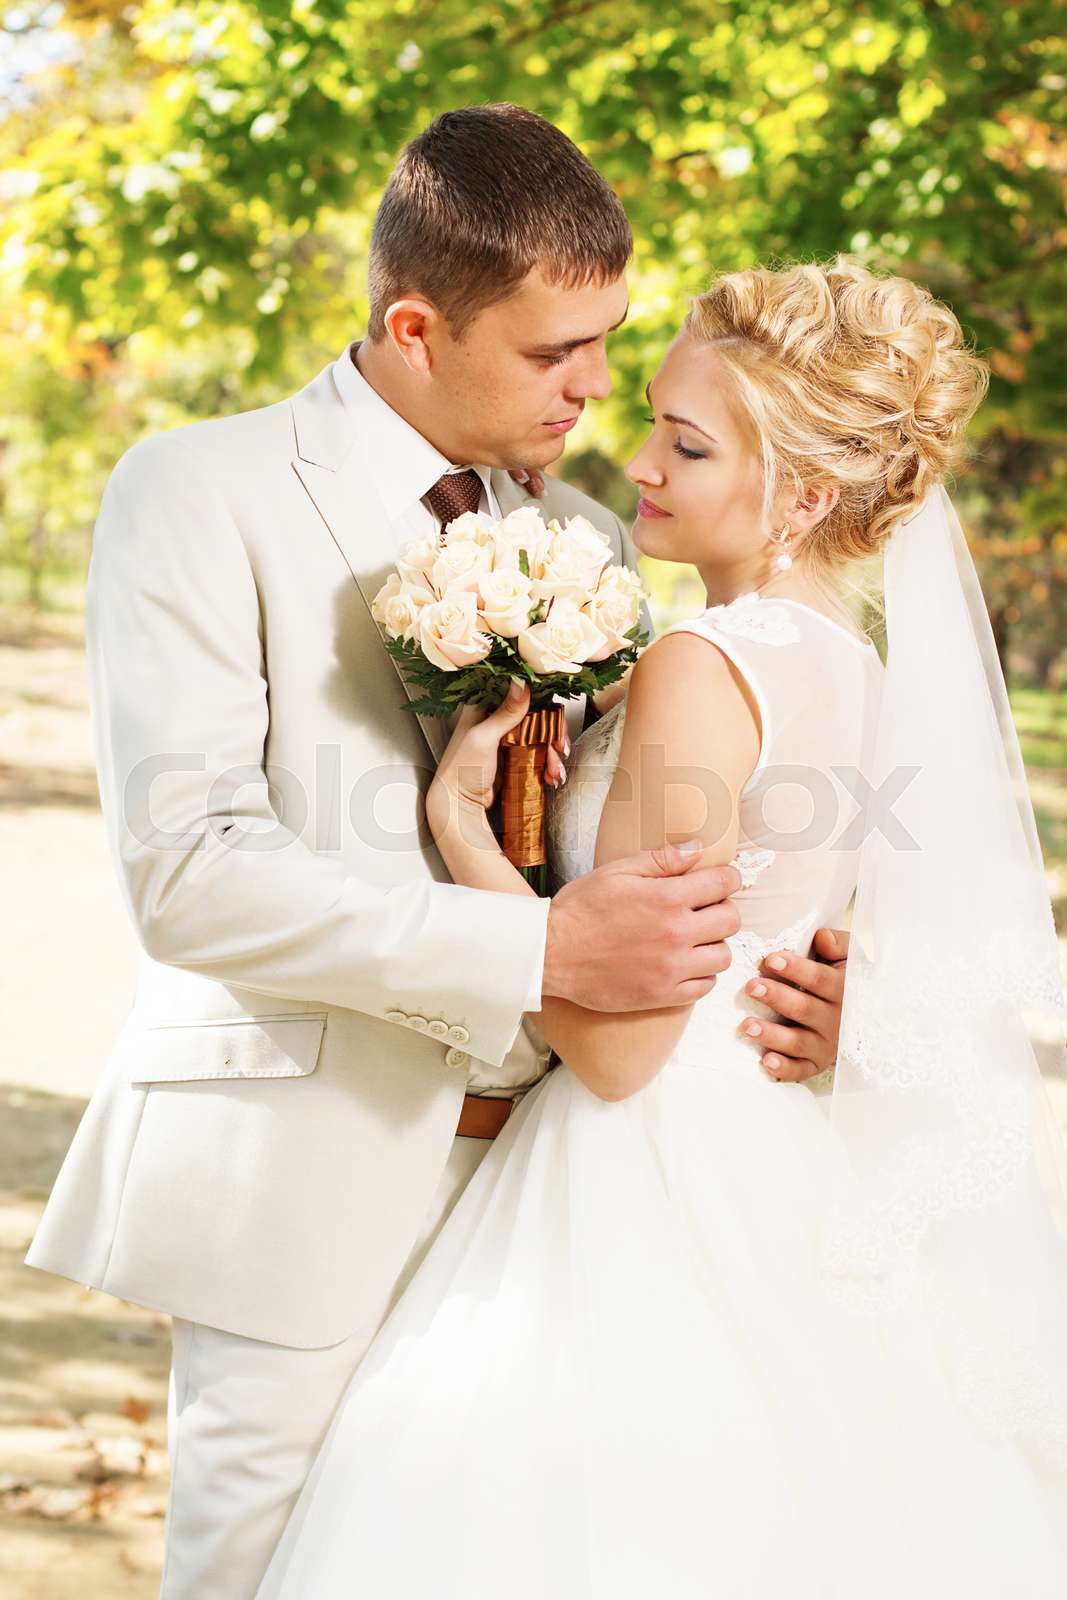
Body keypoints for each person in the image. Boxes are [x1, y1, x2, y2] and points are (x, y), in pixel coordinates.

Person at [22, 107, 846, 1598]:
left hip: (561, 1192)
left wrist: (812, 982)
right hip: (302, 1183)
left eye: (608, 344)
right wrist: (536, 948)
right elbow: (189, 872)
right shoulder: (199, 489)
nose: (596, 388)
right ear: (414, 326)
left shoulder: (595, 534)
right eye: (555, 352)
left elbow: (665, 831)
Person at [255, 259, 1067, 1598]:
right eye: (651, 422)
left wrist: (464, 835)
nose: (635, 464)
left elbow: (622, 1046)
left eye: (686, 446)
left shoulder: (705, 664)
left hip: (646, 1168)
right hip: (776, 1151)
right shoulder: (859, 673)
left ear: (805, 495)